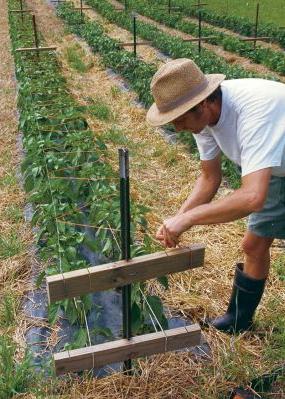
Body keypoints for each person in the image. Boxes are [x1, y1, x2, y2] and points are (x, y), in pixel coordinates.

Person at [146, 58, 285, 334]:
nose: (177, 128)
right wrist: (179, 218)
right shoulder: (203, 120)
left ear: (205, 103)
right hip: (278, 169)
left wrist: (190, 219)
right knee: (254, 246)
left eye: (181, 119)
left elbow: (252, 197)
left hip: (272, 168)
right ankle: (238, 322)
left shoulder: (255, 109)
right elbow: (210, 178)